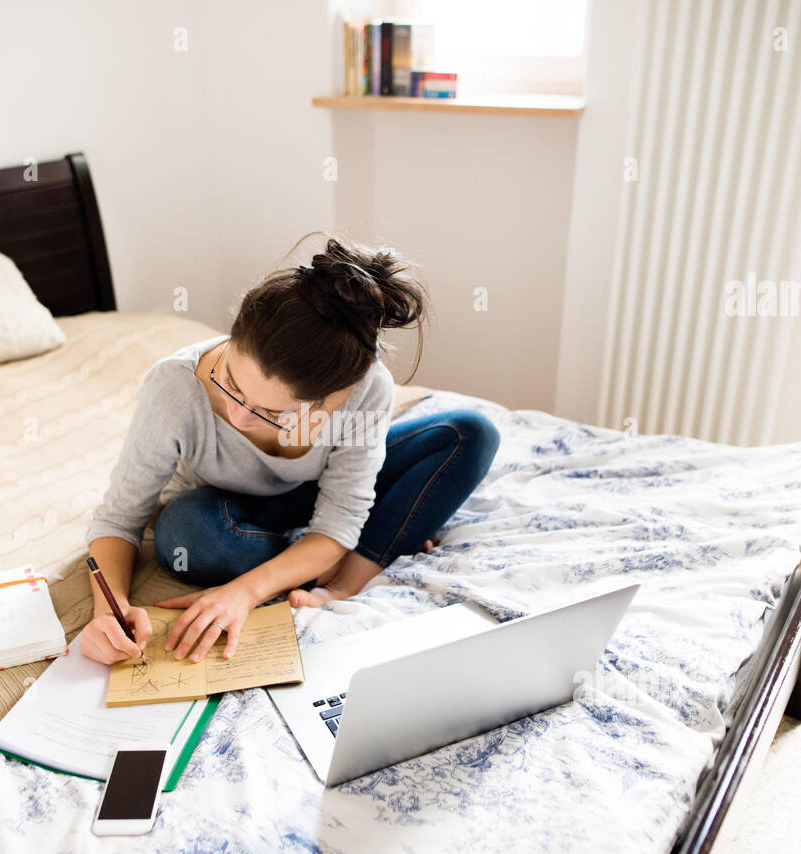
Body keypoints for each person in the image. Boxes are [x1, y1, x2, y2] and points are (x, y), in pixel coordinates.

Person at [80, 234, 500, 667]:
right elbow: (119, 517)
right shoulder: (173, 388)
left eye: (270, 412)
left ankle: (347, 577)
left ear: (336, 398)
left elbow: (340, 516)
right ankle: (339, 550)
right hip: (227, 511)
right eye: (231, 384)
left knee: (471, 434)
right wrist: (105, 610)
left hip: (320, 490)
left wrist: (246, 591)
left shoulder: (365, 389)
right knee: (186, 538)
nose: (239, 418)